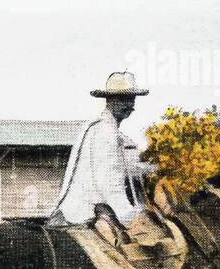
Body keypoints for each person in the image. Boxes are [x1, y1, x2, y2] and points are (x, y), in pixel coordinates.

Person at [50, 71, 153, 228]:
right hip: (85, 214)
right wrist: (130, 217)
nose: (130, 105)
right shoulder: (106, 132)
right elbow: (109, 183)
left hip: (80, 210)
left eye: (132, 99)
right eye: (123, 99)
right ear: (110, 100)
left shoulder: (98, 127)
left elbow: (122, 170)